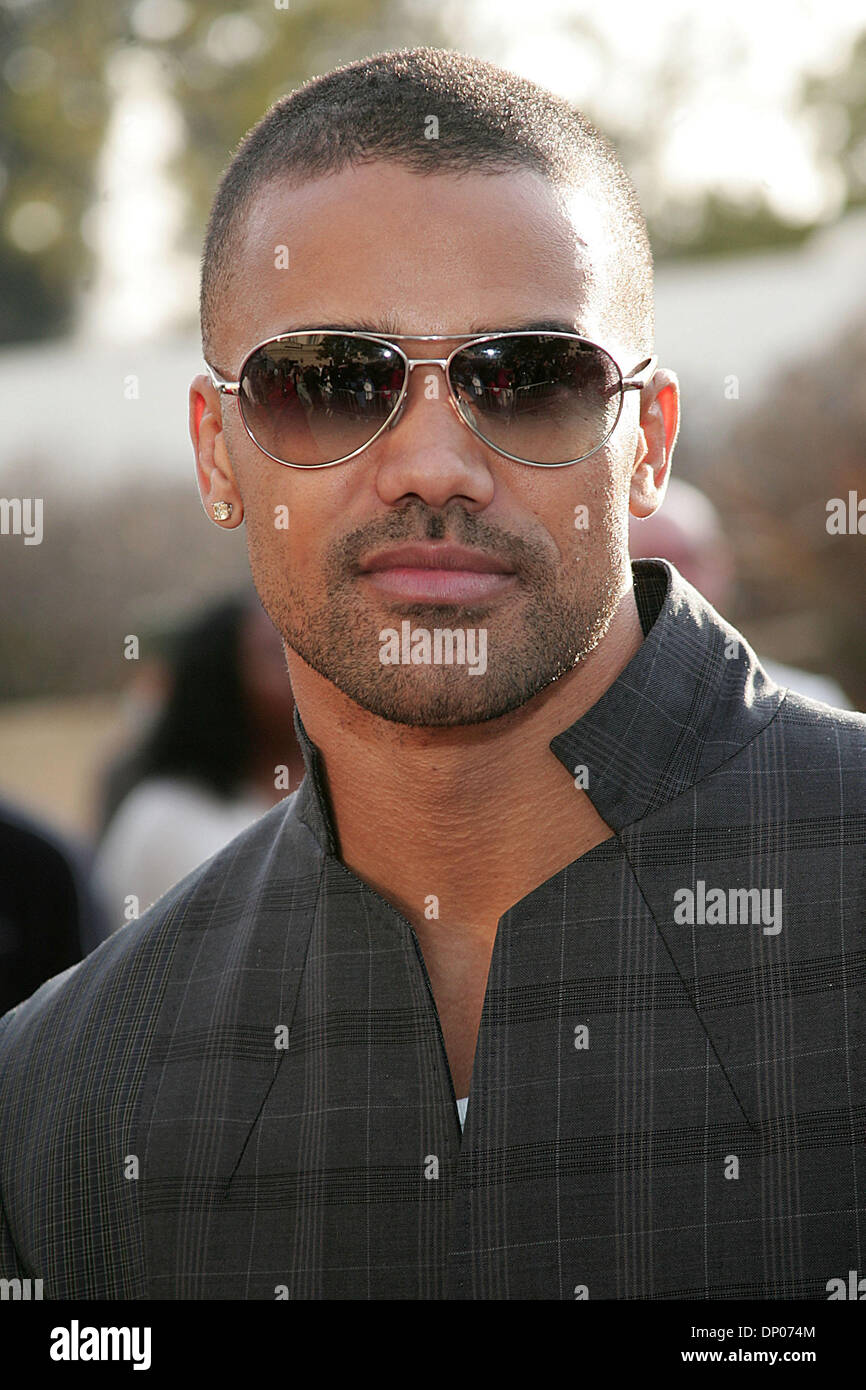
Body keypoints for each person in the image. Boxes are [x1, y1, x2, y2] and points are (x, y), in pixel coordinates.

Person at [1, 48, 863, 1301]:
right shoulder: (63, 1104)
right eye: (327, 382)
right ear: (217, 452)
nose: (431, 464)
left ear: (648, 443)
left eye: (524, 380)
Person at [93, 592, 303, 927]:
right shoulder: (165, 818)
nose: (303, 669)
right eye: (276, 654)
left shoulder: (360, 795)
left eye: (304, 648)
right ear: (223, 680)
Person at [629, 477, 853, 707]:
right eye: (655, 565)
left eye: (691, 559)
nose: (679, 581)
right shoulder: (604, 717)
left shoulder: (812, 705)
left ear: (724, 564)